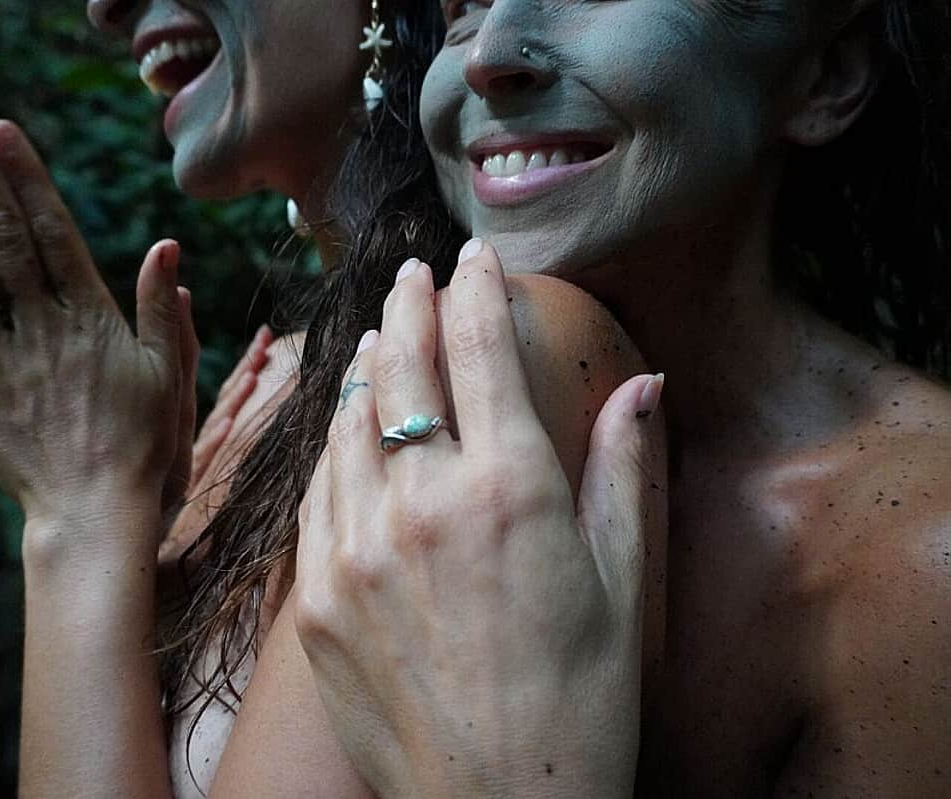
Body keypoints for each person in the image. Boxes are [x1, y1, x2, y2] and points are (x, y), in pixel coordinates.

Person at [0, 1, 660, 796]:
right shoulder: (270, 379)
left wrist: (80, 517)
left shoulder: (488, 357)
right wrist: (93, 501)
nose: (103, 7)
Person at [290, 0, 951, 796]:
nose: (487, 54)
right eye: (461, 8)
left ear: (824, 77)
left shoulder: (922, 555)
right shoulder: (433, 399)